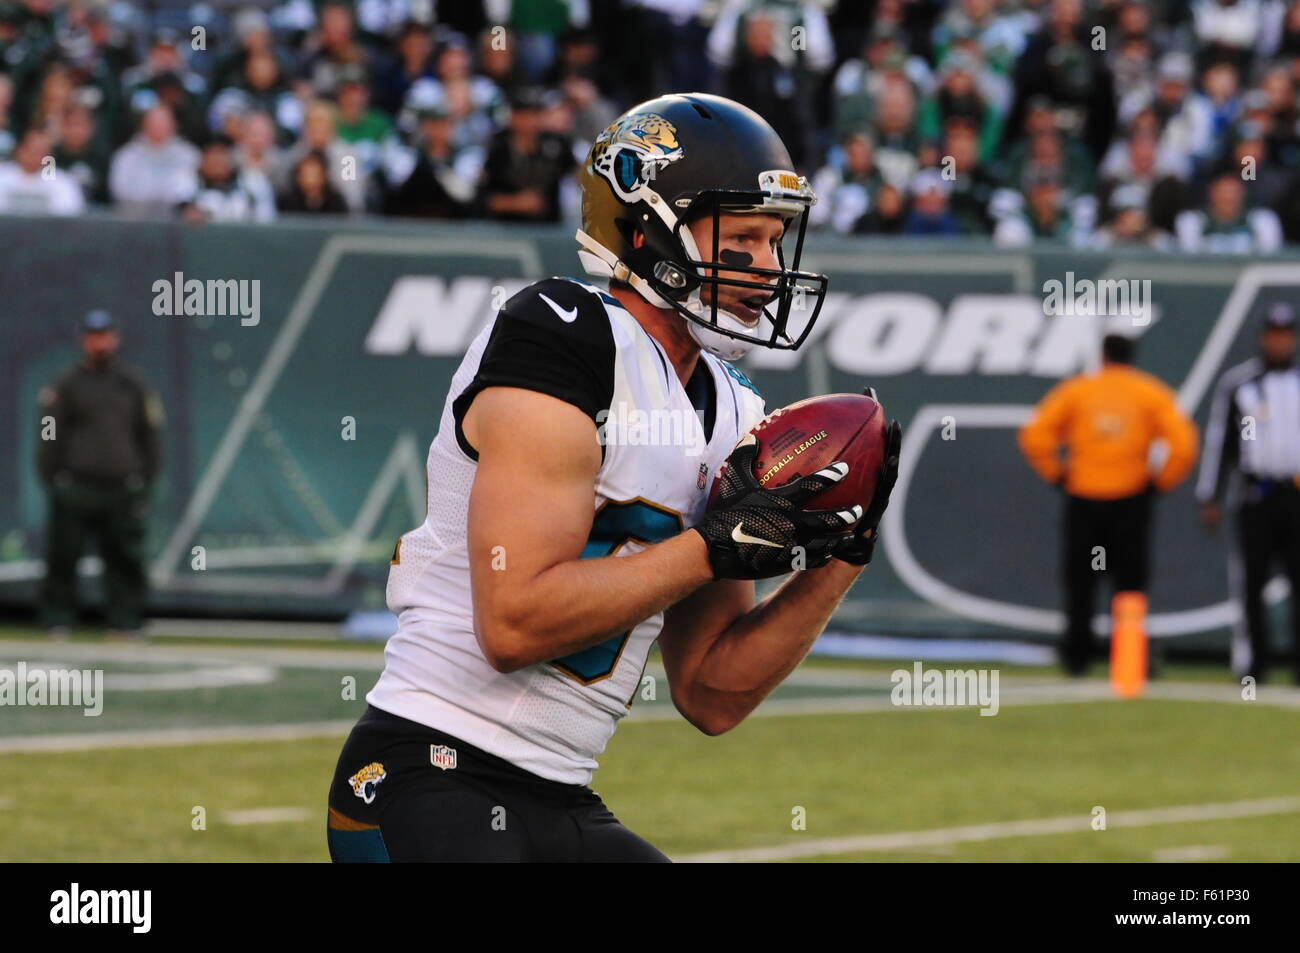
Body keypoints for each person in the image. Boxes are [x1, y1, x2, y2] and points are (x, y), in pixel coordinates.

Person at [327, 93, 901, 863]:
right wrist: (712, 545)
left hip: (560, 790)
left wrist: (842, 557)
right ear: (648, 230)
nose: (768, 268)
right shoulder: (561, 335)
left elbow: (709, 689)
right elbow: (514, 625)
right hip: (428, 769)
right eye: (744, 238)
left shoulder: (733, 409)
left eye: (775, 241)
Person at [1019, 333, 1198, 675]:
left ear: (1102, 355)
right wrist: (1159, 481)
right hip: (1130, 500)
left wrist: (1058, 474)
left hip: (1085, 498)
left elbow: (1035, 434)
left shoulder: (1078, 390)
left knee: (1080, 581)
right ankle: (1129, 660)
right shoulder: (1150, 392)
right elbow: (1183, 444)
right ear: (1131, 356)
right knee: (1129, 583)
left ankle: (1077, 657)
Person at [36, 311, 164, 638]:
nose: (100, 341)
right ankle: (58, 618)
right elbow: (50, 429)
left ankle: (126, 620)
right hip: (76, 485)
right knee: (63, 555)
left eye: (105, 334)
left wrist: (145, 479)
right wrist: (52, 475)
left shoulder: (133, 382)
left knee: (125, 557)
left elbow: (149, 433)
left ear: (115, 338)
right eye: (93, 335)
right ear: (84, 340)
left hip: (122, 486)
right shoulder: (66, 382)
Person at [1197, 302, 1300, 684]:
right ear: (1262, 339)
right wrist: (1210, 494)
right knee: (1251, 583)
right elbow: (1219, 442)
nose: (1279, 343)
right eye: (1273, 336)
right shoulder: (1240, 385)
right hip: (1256, 493)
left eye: (1286, 336)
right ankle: (1253, 667)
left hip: (1296, 492)